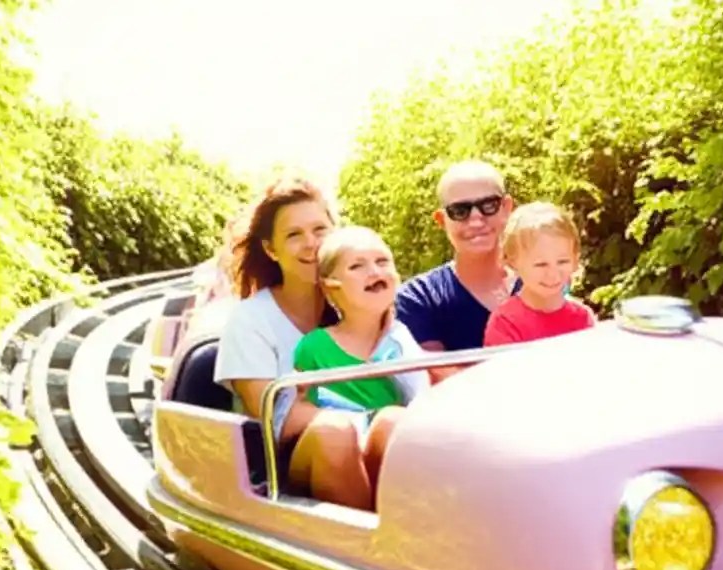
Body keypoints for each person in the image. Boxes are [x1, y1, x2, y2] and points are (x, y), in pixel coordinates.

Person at [212, 175, 385, 511]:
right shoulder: (250, 320)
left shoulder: (357, 300)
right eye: (294, 235)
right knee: (333, 434)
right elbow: (276, 416)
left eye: (320, 230)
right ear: (271, 250)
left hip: (361, 436)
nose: (312, 244)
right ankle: (374, 551)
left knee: (394, 423)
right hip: (282, 464)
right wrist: (365, 417)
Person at [293, 226, 428, 496]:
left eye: (382, 262)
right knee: (333, 435)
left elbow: (420, 398)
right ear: (331, 286)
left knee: (392, 420)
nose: (375, 272)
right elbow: (295, 409)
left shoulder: (400, 341)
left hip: (381, 452)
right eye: (357, 266)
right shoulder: (313, 347)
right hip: (333, 451)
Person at [394, 160, 518, 357]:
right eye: (460, 211)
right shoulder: (418, 299)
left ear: (507, 207)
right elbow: (436, 377)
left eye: (488, 205)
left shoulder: (544, 280)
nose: (476, 220)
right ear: (442, 220)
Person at [483, 202, 596, 346]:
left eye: (562, 262)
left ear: (575, 259)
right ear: (513, 262)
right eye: (541, 264)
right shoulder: (505, 323)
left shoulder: (583, 318)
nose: (553, 274)